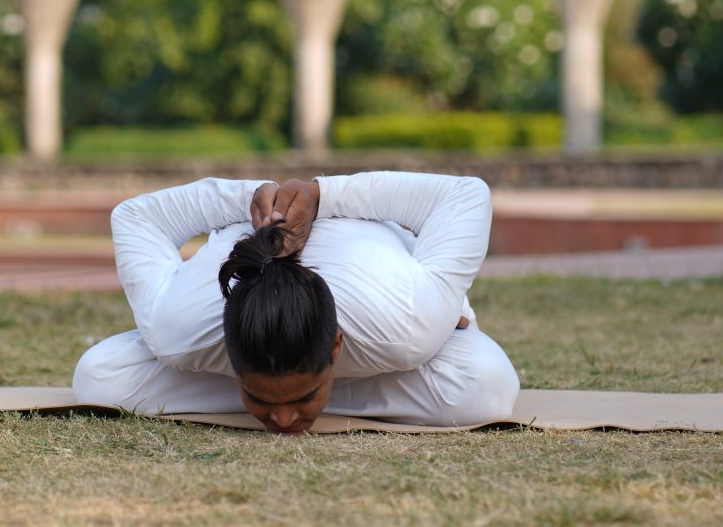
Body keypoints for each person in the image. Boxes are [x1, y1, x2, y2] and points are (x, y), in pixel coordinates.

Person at [73, 171, 519, 434]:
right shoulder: (181, 328)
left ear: (336, 345)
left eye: (303, 397)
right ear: (228, 353)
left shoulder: (406, 321)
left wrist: (326, 195)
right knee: (99, 379)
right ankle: (308, 389)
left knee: (488, 390)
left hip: (379, 267)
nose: (284, 421)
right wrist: (248, 198)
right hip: (216, 318)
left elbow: (465, 195)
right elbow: (136, 216)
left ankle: (280, 390)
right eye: (259, 397)